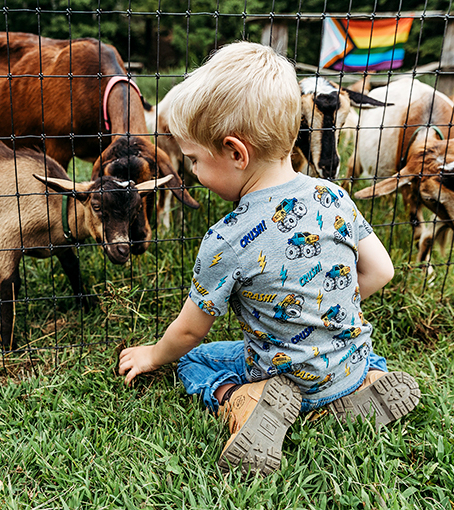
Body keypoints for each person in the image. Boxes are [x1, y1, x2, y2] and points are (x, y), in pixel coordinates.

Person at [117, 41, 420, 476]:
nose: (195, 174)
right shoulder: (332, 196)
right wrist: (323, 307)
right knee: (361, 354)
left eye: (196, 161)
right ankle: (365, 383)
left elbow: (188, 332)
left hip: (282, 374)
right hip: (346, 362)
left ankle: (243, 400)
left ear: (236, 153)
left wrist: (152, 354)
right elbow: (381, 271)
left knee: (192, 362)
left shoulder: (225, 238)